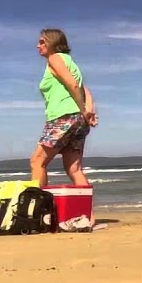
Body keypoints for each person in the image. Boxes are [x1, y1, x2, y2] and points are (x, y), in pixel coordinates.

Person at [31, 28, 98, 187]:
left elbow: (72, 84)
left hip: (63, 117)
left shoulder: (54, 58)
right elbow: (84, 90)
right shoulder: (70, 62)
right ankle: (83, 212)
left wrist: (84, 110)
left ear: (53, 43)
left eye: (42, 42)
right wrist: (88, 112)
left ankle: (38, 209)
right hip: (78, 121)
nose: (37, 46)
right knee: (74, 169)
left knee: (37, 162)